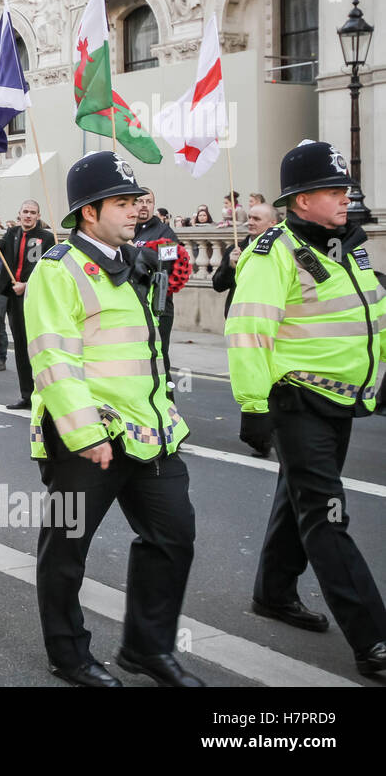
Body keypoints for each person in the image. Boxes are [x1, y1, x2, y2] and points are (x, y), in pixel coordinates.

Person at [26, 150, 199, 688]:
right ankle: (69, 654)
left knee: (174, 536)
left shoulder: (136, 262)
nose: (134, 209)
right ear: (88, 213)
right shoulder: (57, 269)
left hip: (150, 430)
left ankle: (147, 648)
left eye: (135, 200)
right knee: (66, 550)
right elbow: (54, 357)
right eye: (122, 202)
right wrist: (84, 434)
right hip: (90, 435)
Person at [226, 141, 386, 678]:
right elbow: (249, 332)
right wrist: (254, 409)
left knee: (296, 495)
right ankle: (374, 639)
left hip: (340, 398)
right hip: (296, 402)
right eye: (335, 190)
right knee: (326, 515)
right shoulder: (274, 252)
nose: (347, 197)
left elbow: (369, 315)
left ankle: (273, 592)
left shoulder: (346, 244)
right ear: (301, 199)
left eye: (346, 188)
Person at [0, 200, 55, 408]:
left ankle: (46, 396)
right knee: (21, 346)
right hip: (14, 297)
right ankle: (27, 395)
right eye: (25, 212)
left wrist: (27, 285)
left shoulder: (47, 238)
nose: (28, 216)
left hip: (36, 297)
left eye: (33, 212)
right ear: (19, 214)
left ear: (38, 215)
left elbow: (50, 270)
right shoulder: (12, 233)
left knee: (39, 347)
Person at [131, 190, 181, 365]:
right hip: (132, 305)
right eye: (140, 201)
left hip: (158, 306)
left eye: (149, 201)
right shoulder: (127, 229)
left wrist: (133, 251)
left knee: (158, 356)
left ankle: (166, 392)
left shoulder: (165, 232)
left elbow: (167, 263)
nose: (144, 205)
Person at [211, 202, 279, 317]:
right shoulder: (235, 249)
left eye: (256, 219)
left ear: (272, 223)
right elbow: (218, 286)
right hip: (237, 318)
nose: (250, 222)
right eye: (249, 217)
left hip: (269, 318)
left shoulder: (279, 251)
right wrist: (230, 267)